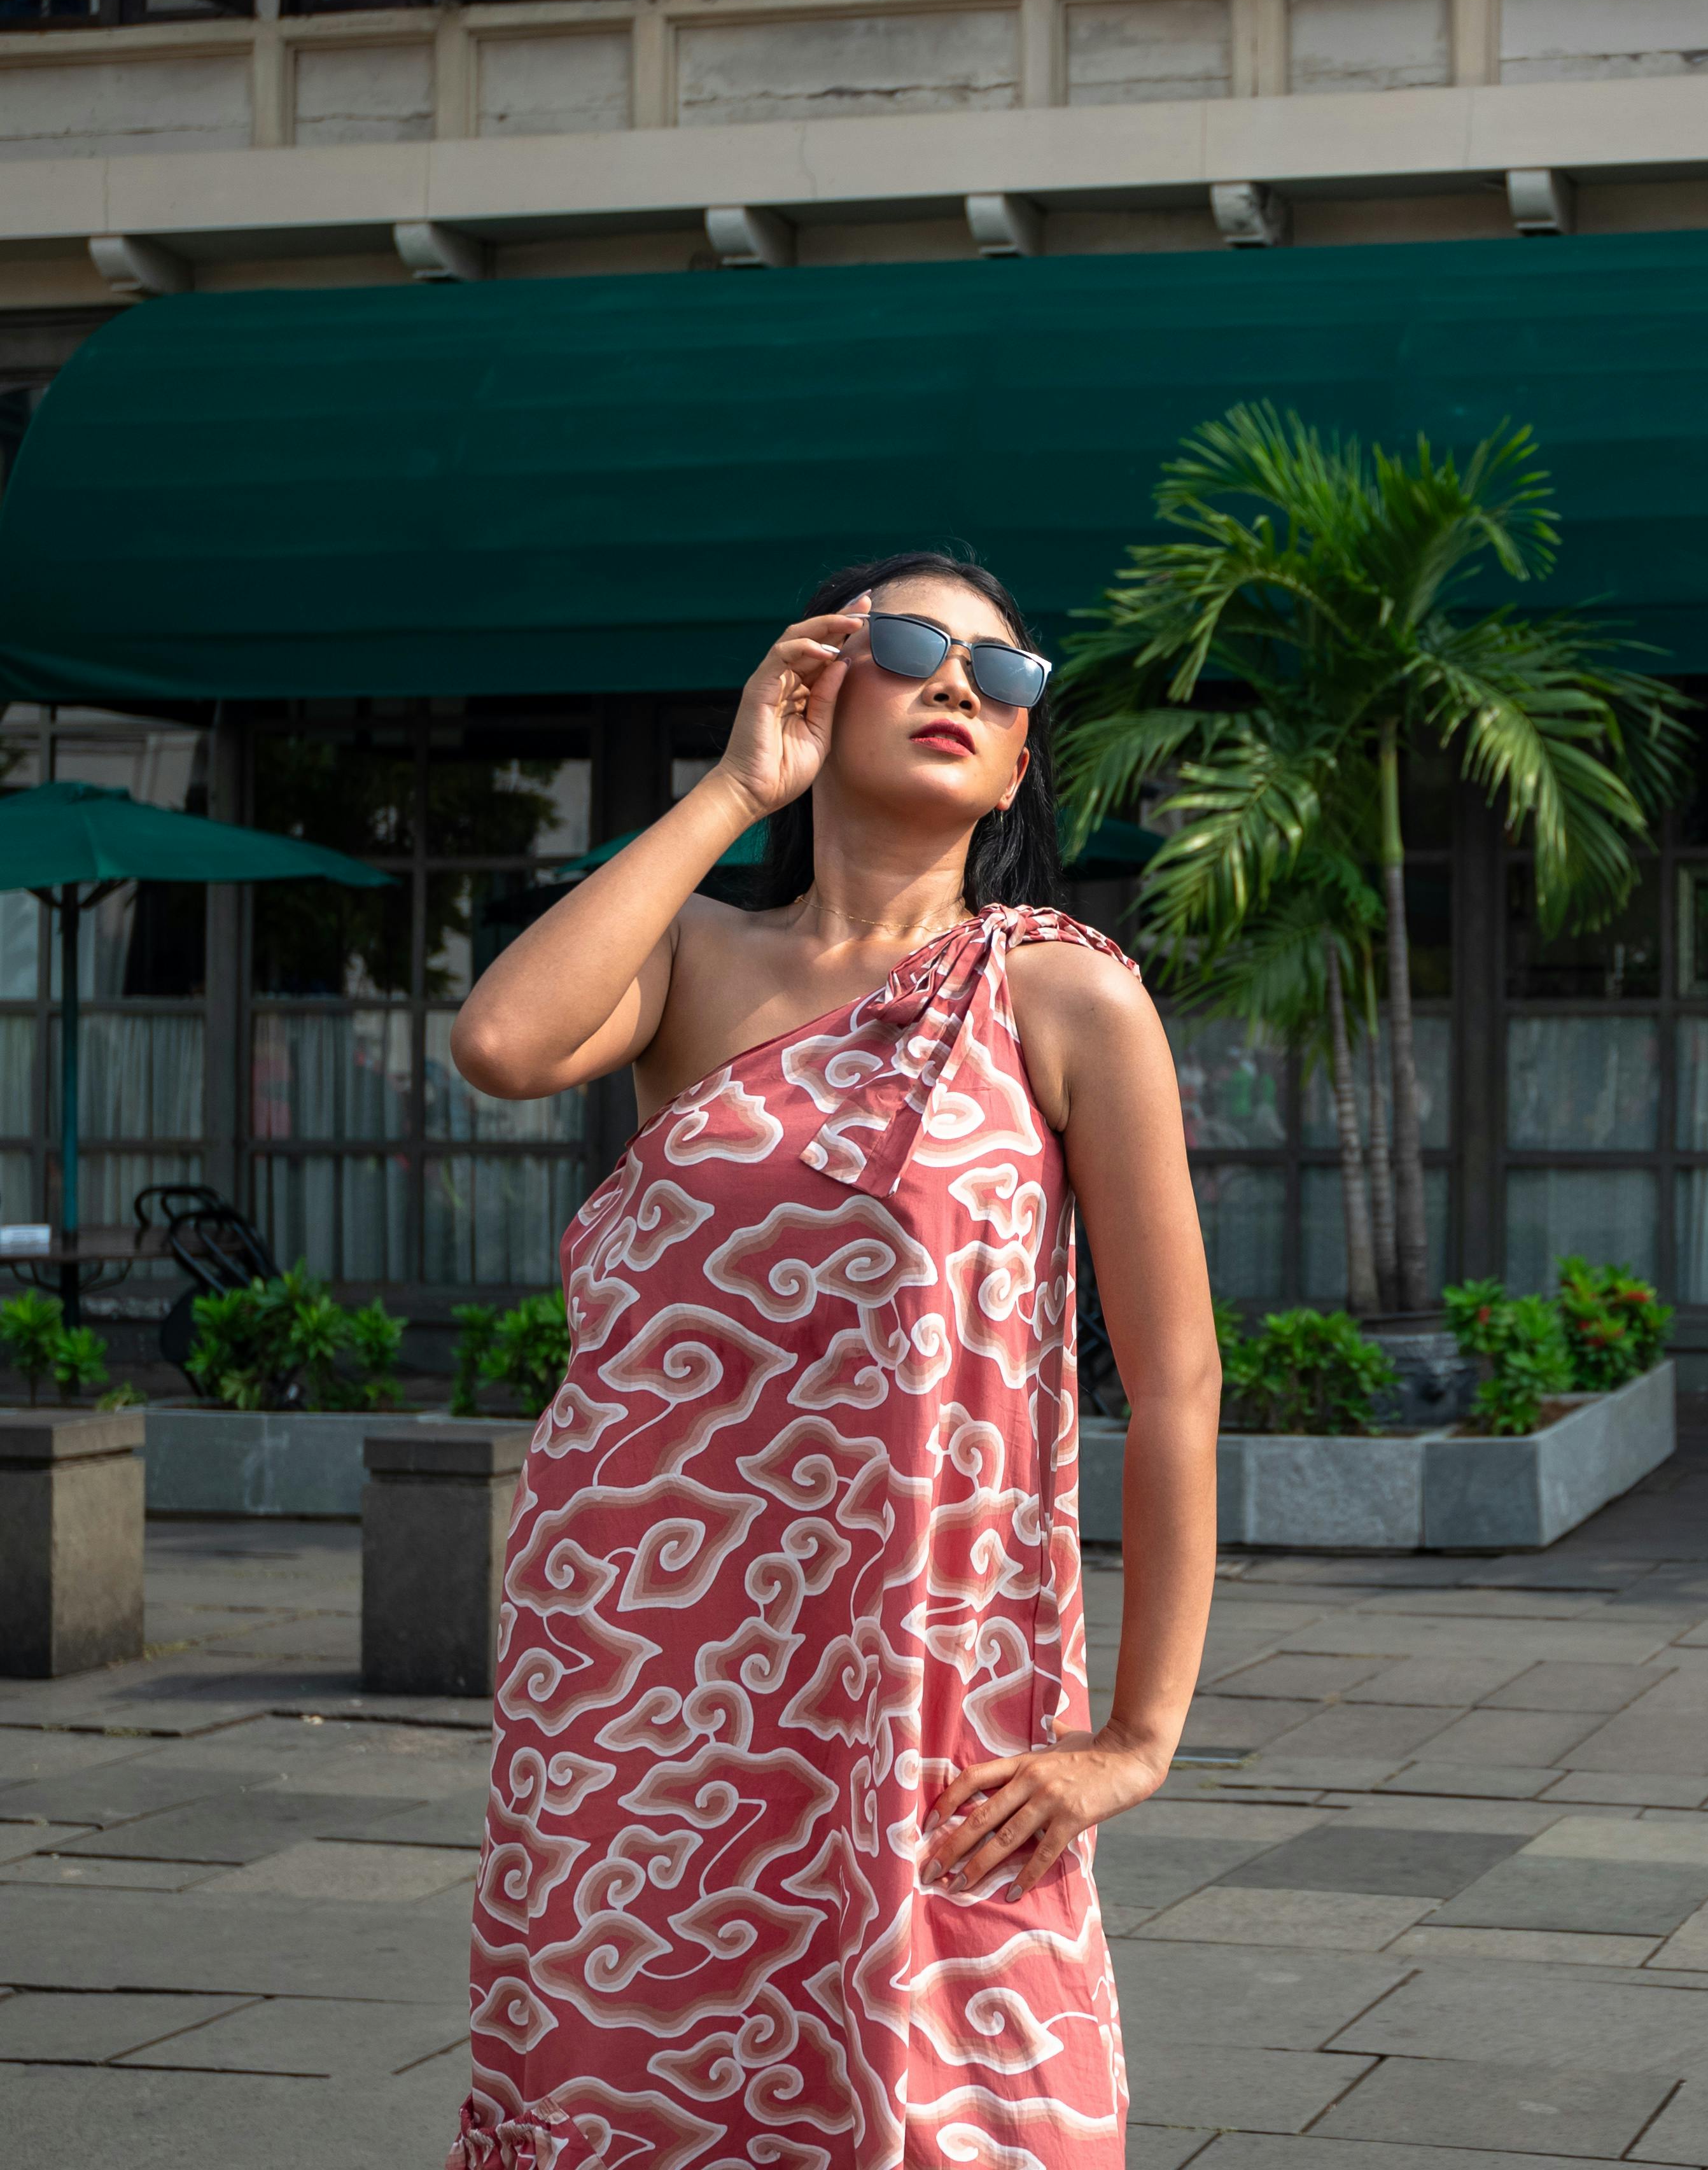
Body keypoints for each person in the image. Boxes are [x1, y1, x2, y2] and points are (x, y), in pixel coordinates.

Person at [440, 552, 1220, 2169]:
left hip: (927, 1693)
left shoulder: (1062, 993)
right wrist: (735, 788)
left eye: (1004, 674)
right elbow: (503, 1043)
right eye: (916, 643)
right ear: (816, 679)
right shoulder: (694, 959)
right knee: (630, 2095)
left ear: (1021, 752)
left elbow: (1175, 1382)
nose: (960, 684)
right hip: (641, 1672)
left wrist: (1137, 1737)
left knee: (965, 2106)